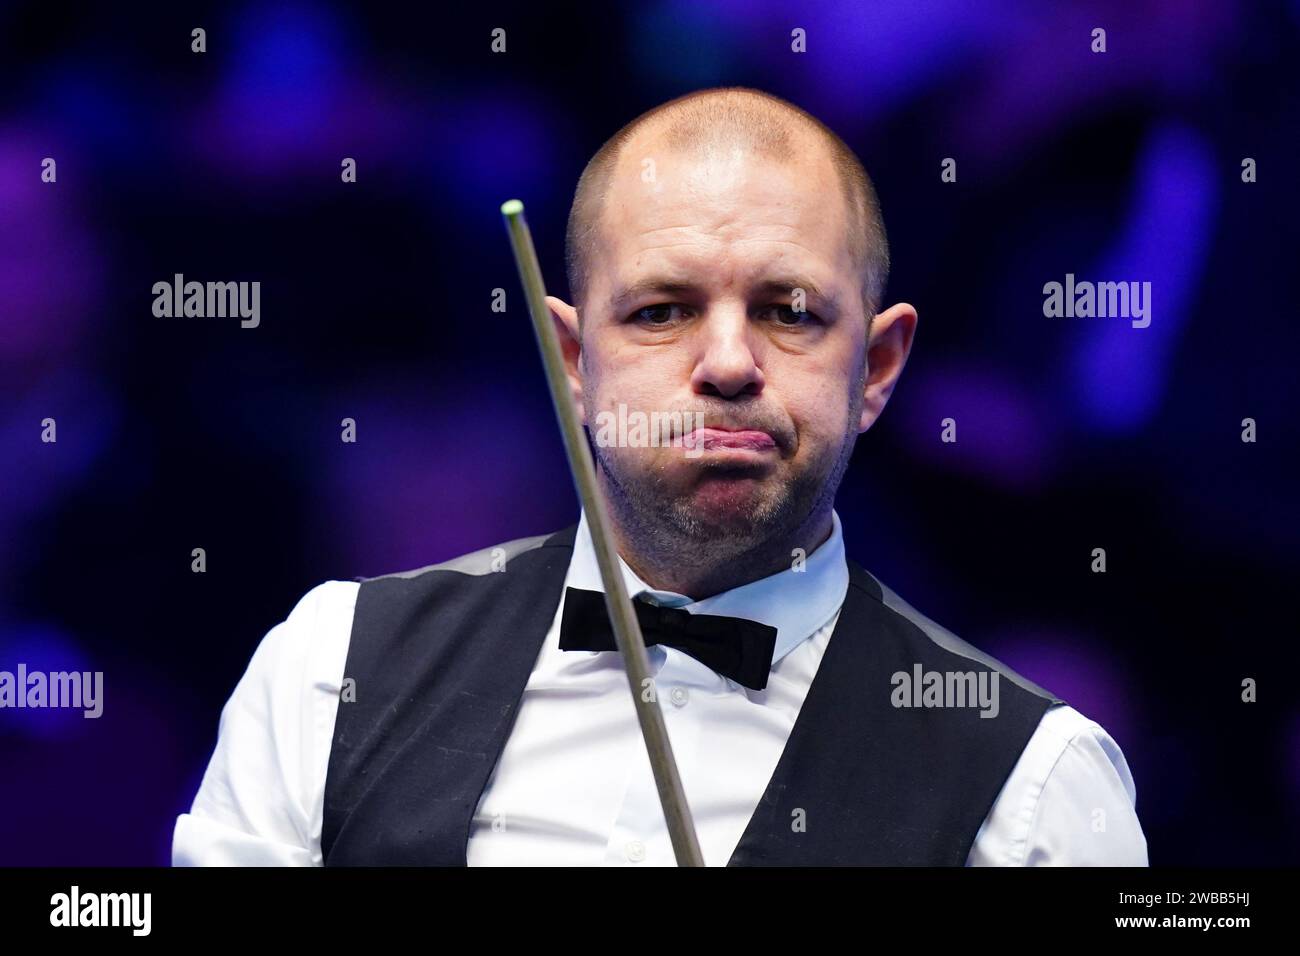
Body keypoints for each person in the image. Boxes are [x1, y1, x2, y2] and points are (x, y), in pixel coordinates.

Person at [172, 86, 1148, 866]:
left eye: (791, 309)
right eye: (660, 311)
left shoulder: (1035, 784)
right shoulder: (325, 671)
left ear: (877, 370)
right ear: (571, 362)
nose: (727, 362)